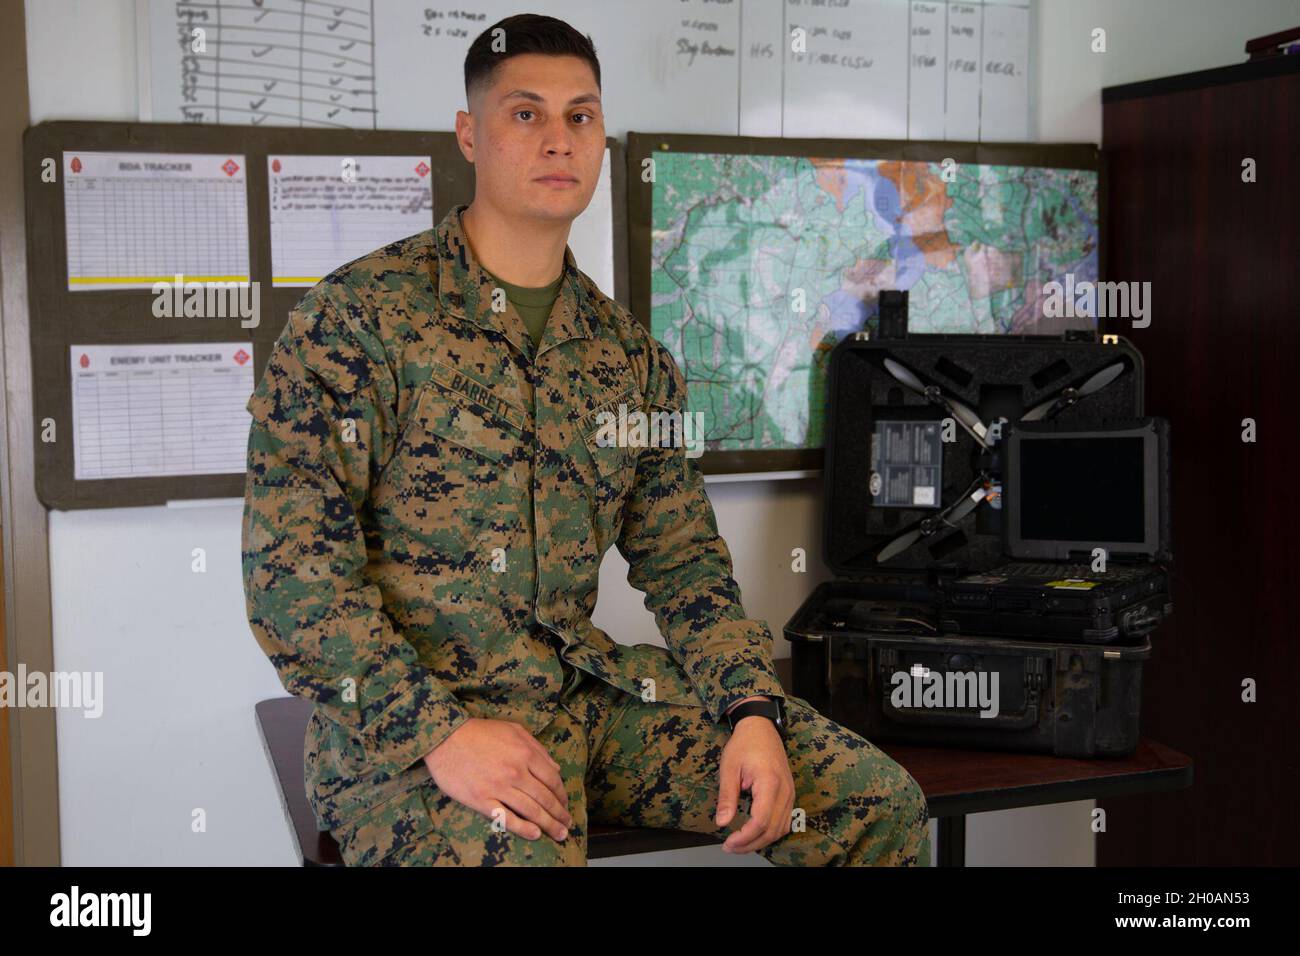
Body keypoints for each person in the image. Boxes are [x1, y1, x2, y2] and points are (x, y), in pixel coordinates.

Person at [241, 12, 929, 867]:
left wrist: (752, 710)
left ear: (601, 139)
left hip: (579, 696)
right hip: (409, 740)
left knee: (873, 803)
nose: (558, 139)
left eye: (581, 116)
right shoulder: (356, 323)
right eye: (525, 113)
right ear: (470, 134)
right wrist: (442, 733)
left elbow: (684, 565)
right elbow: (294, 585)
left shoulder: (629, 358)